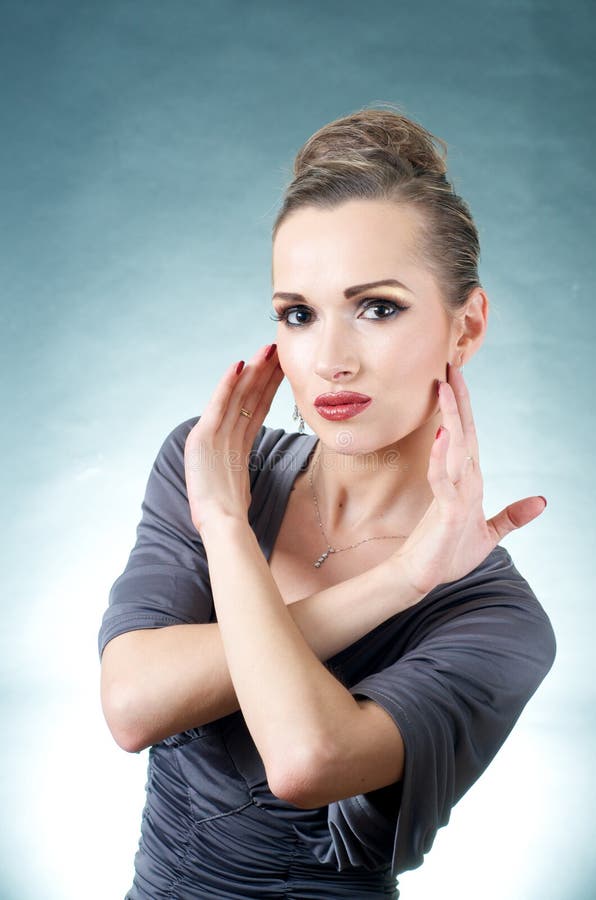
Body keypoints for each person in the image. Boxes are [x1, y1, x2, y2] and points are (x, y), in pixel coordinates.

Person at [98, 105, 556, 899]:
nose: (330, 359)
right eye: (298, 315)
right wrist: (389, 578)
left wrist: (226, 531)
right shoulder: (212, 465)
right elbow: (133, 708)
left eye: (377, 307)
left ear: (466, 325)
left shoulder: (503, 623)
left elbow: (308, 760)